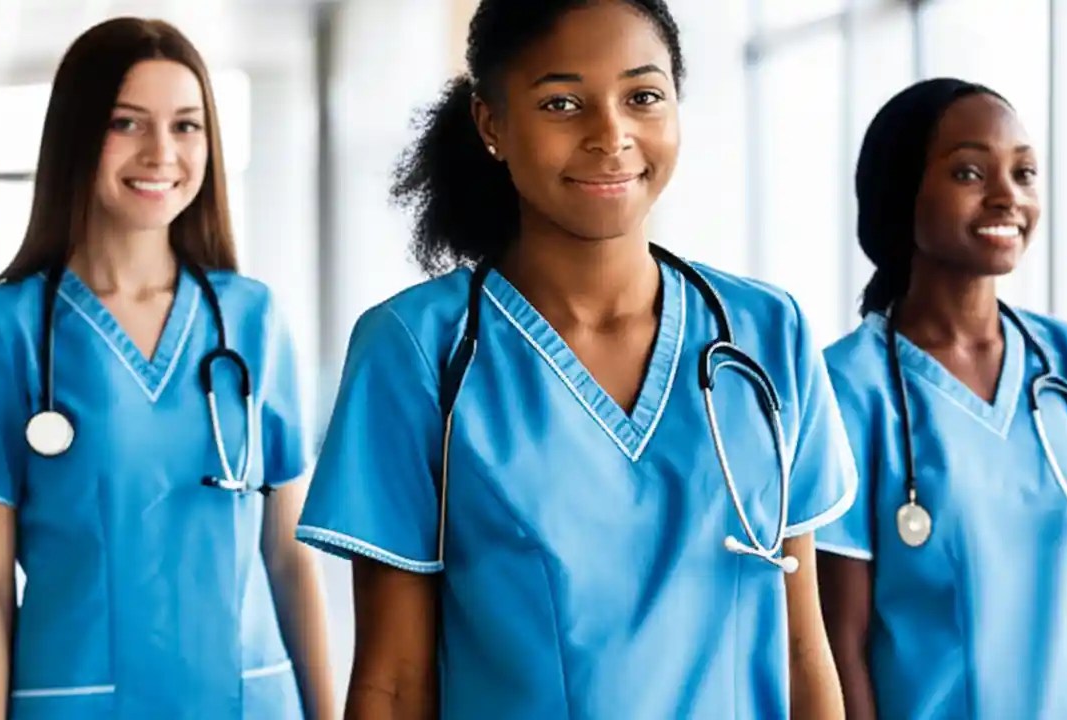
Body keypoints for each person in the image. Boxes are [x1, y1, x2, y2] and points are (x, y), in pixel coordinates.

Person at [294, 1, 855, 717]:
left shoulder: (765, 333)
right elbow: (394, 680)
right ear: (491, 124)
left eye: (643, 96)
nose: (611, 134)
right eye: (562, 103)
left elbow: (803, 648)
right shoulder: (416, 351)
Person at [0, 17, 334, 719]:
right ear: (78, 134)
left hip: (249, 701)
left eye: (186, 126)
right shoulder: (6, 330)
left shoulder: (253, 320)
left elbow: (289, 562)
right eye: (127, 123)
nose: (161, 152)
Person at [816, 77, 1067, 719]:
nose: (1008, 196)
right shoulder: (848, 389)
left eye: (1024, 172)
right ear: (902, 190)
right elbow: (842, 645)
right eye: (971, 172)